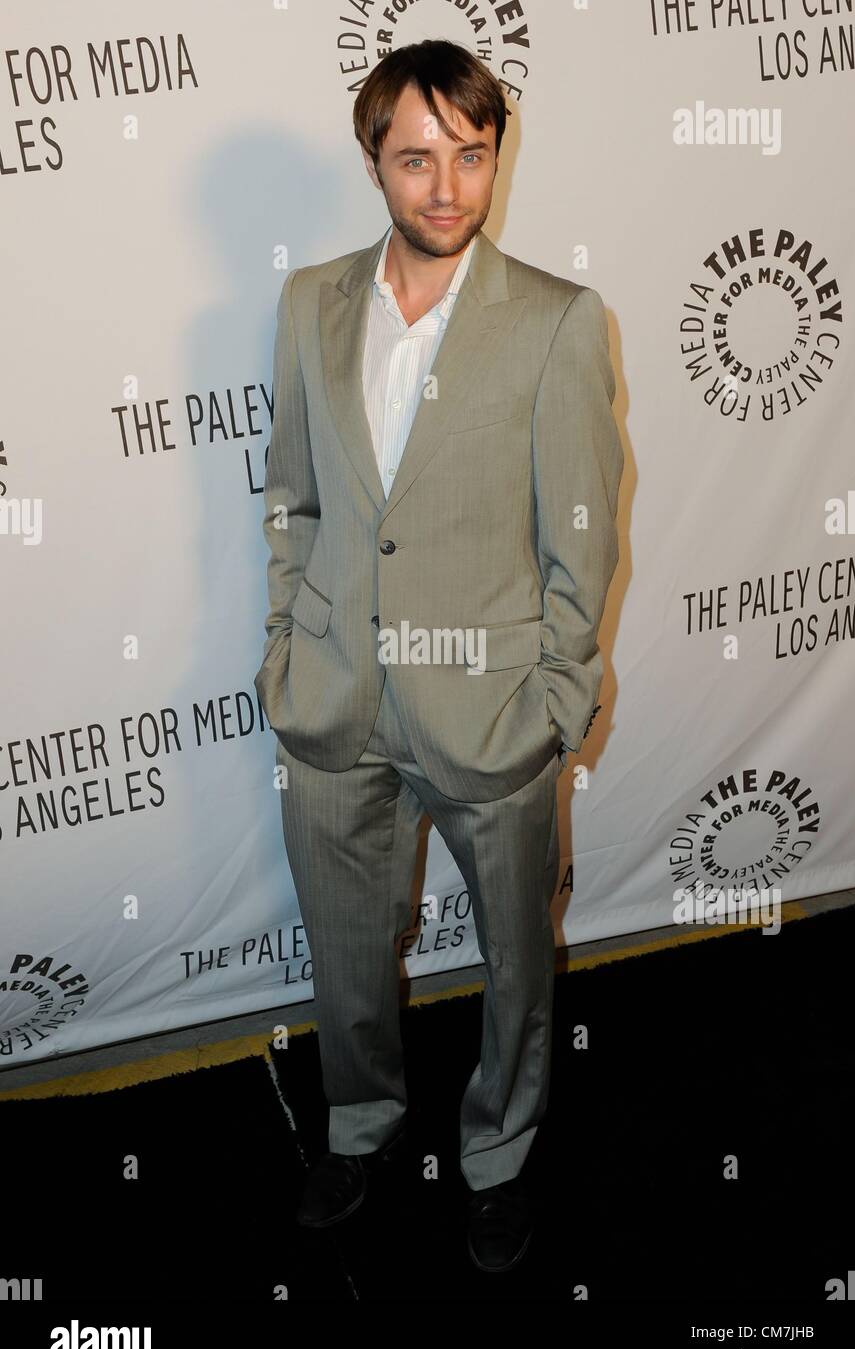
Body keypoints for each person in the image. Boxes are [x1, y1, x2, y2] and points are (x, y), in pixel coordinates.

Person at [254, 38, 623, 1273]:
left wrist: (556, 701)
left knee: (518, 959)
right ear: (375, 162)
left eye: (472, 155)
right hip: (334, 705)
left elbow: (585, 540)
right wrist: (280, 654)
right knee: (346, 948)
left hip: (490, 717)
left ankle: (500, 1152)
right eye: (418, 159)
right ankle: (357, 1126)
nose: (449, 188)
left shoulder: (562, 324)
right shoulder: (309, 303)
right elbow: (292, 499)